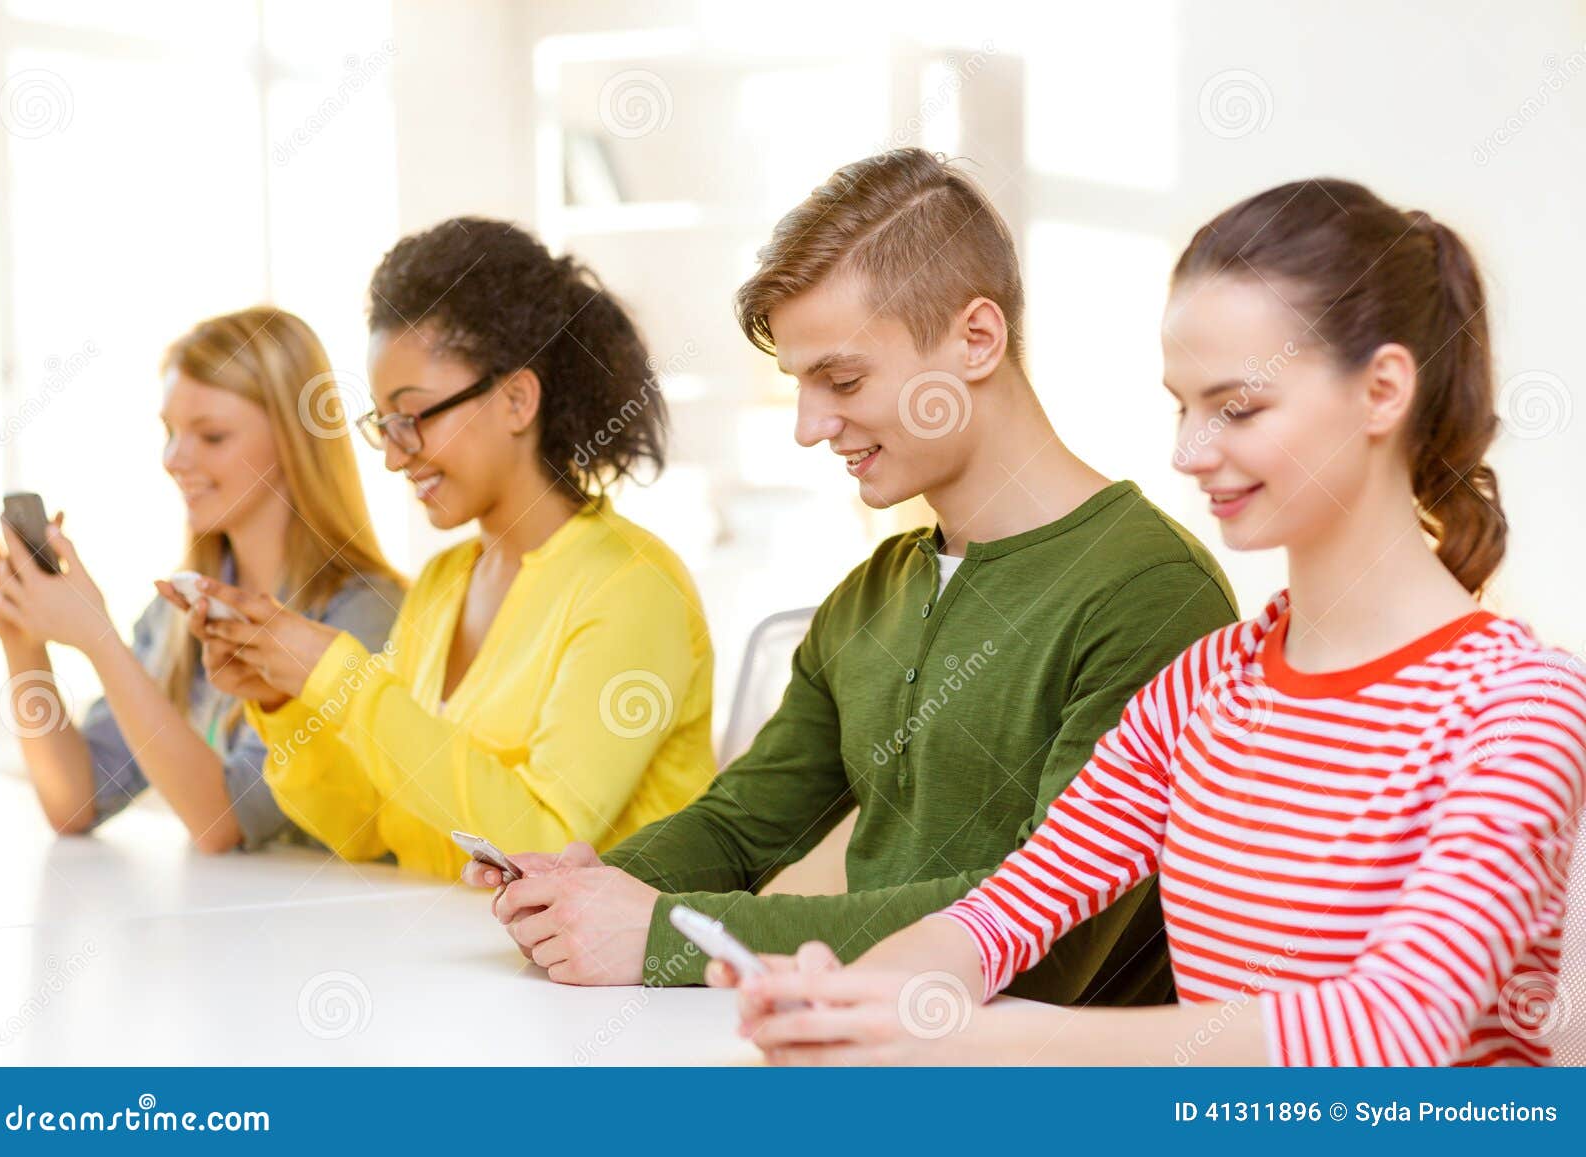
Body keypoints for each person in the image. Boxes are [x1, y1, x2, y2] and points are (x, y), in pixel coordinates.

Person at [727, 179, 1586, 1067]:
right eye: (1183, 405)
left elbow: (1392, 1028)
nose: (1188, 452)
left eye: (1237, 407)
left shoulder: (1520, 708)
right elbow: (1002, 914)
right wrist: (853, 1000)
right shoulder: (1205, 686)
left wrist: (962, 1038)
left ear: (1382, 390)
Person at [464, 148, 1238, 999]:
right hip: (865, 1045)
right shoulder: (874, 591)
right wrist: (586, 888)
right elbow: (741, 826)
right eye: (801, 383)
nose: (809, 425)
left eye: (841, 378)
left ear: (977, 339)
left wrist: (663, 935)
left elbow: (1047, 934)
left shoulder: (1152, 592)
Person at [183, 219, 716, 877]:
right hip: (448, 939)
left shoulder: (631, 587)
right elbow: (368, 827)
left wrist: (342, 677)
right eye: (384, 423)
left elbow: (545, 846)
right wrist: (284, 700)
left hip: (603, 950)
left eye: (413, 417)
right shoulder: (442, 582)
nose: (394, 455)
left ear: (516, 399)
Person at [0, 307, 402, 853]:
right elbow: (76, 801)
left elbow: (224, 822)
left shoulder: (364, 611)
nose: (173, 458)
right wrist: (21, 642)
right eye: (170, 432)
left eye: (211, 435)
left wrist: (99, 639)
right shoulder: (175, 612)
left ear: (293, 440)